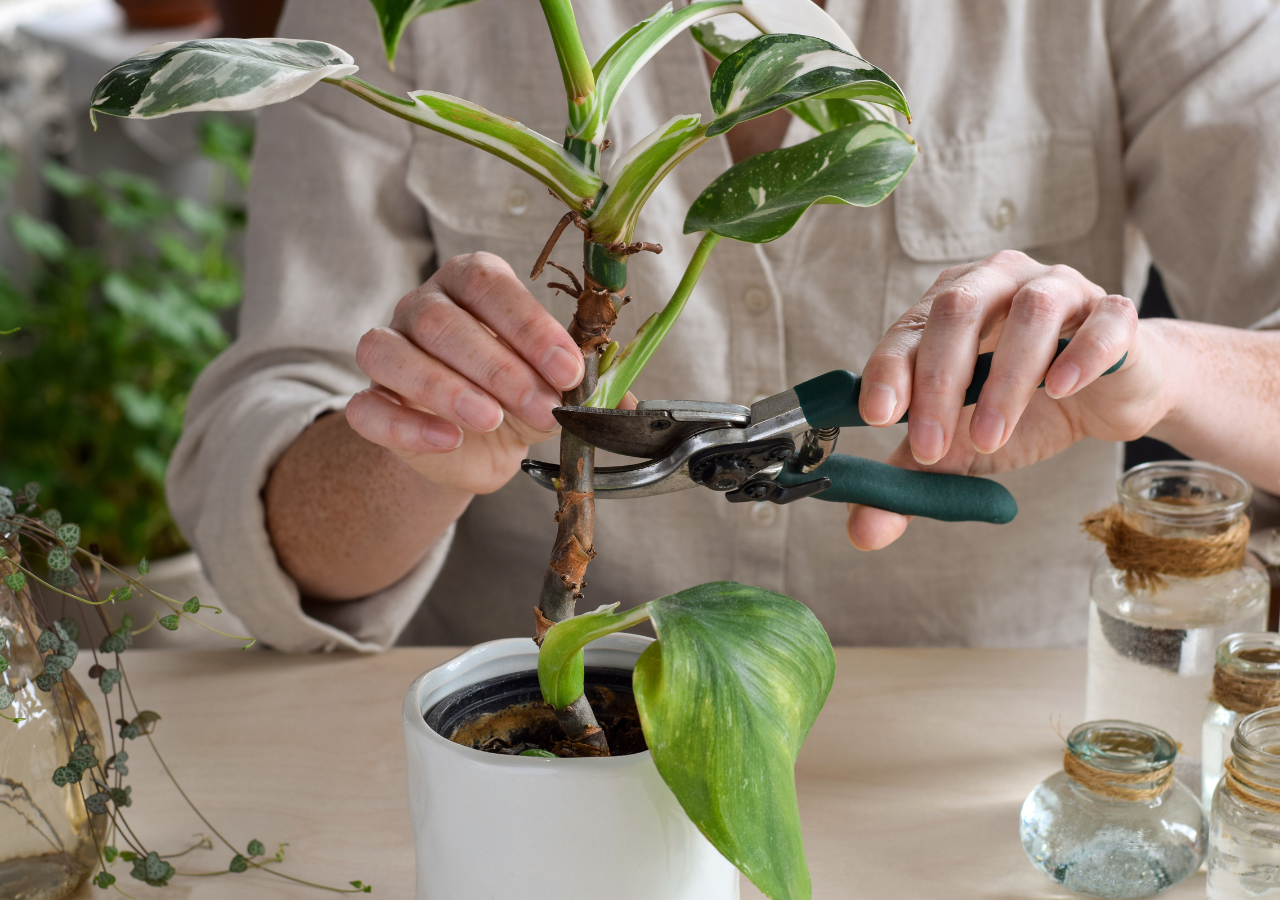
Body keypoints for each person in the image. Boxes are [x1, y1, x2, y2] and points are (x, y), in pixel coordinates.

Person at [167, 0, 1280, 653]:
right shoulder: (381, 21)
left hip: (992, 752)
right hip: (522, 734)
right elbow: (268, 523)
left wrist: (1165, 367)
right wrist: (413, 441)